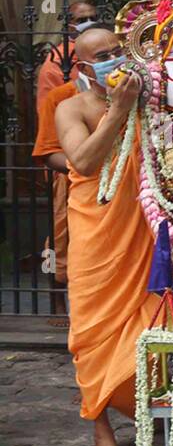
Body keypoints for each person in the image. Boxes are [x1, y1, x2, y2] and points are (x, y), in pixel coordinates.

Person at [53, 24, 160, 446]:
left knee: (152, 325)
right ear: (82, 66)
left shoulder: (149, 101)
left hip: (141, 228)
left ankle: (153, 415)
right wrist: (118, 110)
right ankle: (102, 430)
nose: (115, 59)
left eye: (119, 50)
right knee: (92, 333)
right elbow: (82, 160)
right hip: (95, 233)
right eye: (104, 55)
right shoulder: (71, 107)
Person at [33, 77, 79, 325]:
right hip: (66, 175)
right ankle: (56, 298)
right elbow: (48, 149)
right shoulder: (62, 94)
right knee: (57, 238)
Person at [38, 1, 98, 108]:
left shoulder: (107, 48)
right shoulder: (57, 59)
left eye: (93, 19)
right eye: (81, 20)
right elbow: (47, 105)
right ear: (69, 26)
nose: (90, 23)